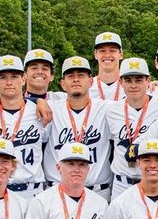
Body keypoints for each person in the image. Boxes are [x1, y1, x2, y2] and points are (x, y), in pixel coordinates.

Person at [43, 57, 115, 197]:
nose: (76, 80)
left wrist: (156, 87)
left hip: (98, 192)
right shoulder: (51, 108)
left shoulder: (107, 108)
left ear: (91, 81)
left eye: (81, 75)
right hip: (57, 192)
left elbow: (136, 103)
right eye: (71, 76)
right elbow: (17, 102)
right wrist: (39, 101)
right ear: (63, 84)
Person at [0, 54, 47, 197]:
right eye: (3, 77)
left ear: (23, 79)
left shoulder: (40, 111)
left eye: (14, 77)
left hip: (32, 192)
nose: (9, 82)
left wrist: (39, 100)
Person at [104, 57, 158, 199]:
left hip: (156, 182)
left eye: (139, 80)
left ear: (148, 81)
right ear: (120, 82)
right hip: (122, 183)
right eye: (128, 80)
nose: (133, 85)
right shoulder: (111, 111)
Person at [90, 32, 124, 101]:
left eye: (112, 50)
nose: (107, 55)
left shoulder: (132, 88)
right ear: (95, 54)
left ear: (121, 54)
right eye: (102, 51)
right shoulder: (86, 88)